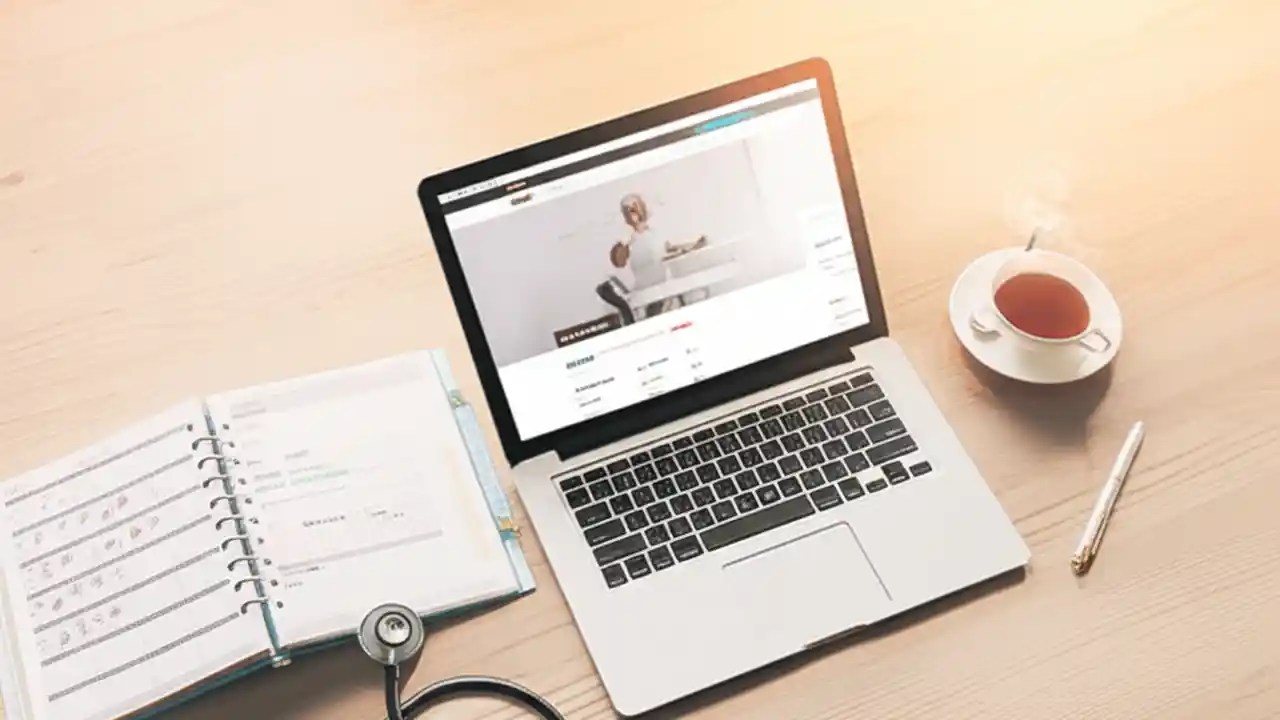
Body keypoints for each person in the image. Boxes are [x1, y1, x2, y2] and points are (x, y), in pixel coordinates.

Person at [610, 193, 707, 317]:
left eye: (635, 207)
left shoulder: (654, 233)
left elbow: (669, 248)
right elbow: (618, 262)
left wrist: (694, 245)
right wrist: (623, 245)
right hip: (647, 292)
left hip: (664, 286)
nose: (632, 212)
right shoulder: (628, 239)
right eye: (627, 210)